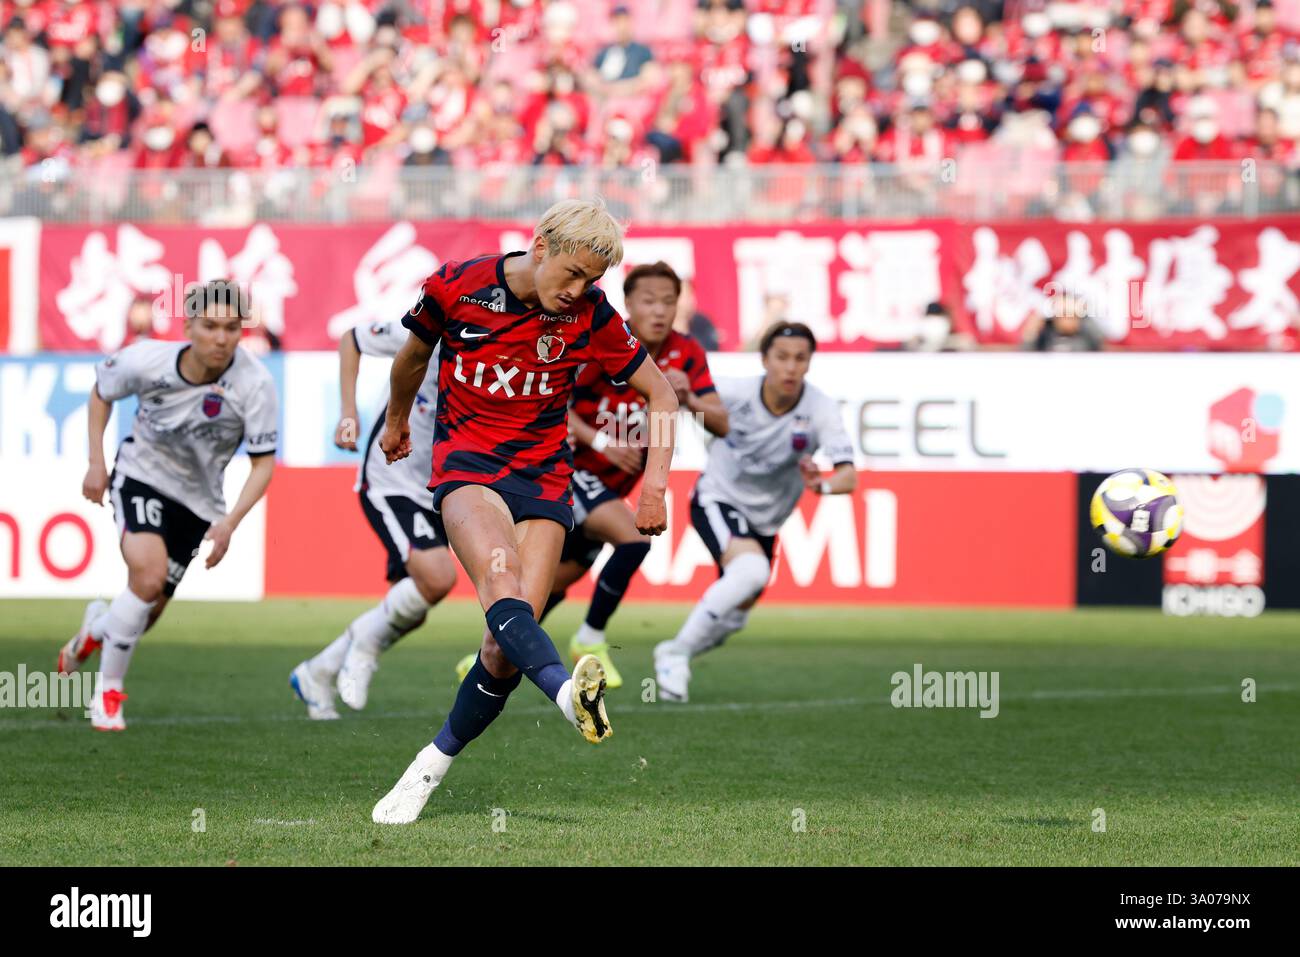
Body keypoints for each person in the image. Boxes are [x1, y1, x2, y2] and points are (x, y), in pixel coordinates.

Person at [370, 198, 679, 825]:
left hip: (543, 479)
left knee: (502, 650)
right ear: (540, 246)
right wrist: (398, 419)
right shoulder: (458, 286)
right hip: (469, 466)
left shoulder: (590, 314)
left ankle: (426, 768)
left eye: (592, 281)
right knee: (499, 578)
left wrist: (655, 486)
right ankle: (569, 697)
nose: (578, 290)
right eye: (571, 274)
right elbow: (410, 359)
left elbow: (662, 393)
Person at [452, 261, 728, 688]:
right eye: (648, 301)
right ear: (628, 305)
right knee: (633, 539)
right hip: (566, 468)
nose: (659, 311)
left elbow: (721, 423)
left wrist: (687, 396)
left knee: (553, 585)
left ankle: (491, 652)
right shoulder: (606, 342)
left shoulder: (686, 353)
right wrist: (600, 443)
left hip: (609, 488)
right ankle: (591, 638)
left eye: (668, 302)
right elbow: (552, 403)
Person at [56, 280, 279, 730]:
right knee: (148, 575)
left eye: (232, 328)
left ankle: (93, 632)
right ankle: (107, 697)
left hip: (198, 504)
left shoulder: (255, 384)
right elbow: (101, 391)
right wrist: (96, 464)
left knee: (146, 611)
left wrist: (229, 523)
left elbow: (262, 465)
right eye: (211, 326)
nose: (221, 338)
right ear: (189, 325)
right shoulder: (147, 359)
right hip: (141, 474)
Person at [654, 321, 856, 702]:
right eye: (781, 357)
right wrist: (680, 386)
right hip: (717, 498)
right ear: (765, 359)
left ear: (810, 363)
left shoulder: (820, 408)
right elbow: (672, 389)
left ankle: (675, 650)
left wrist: (822, 485)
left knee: (735, 617)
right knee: (751, 571)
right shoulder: (732, 391)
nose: (790, 368)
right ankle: (674, 656)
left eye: (800, 359)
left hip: (765, 523)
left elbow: (849, 475)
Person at [289, 317, 457, 719]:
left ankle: (318, 671)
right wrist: (349, 413)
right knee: (437, 578)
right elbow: (353, 337)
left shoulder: (505, 351)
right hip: (390, 476)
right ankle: (362, 650)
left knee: (412, 607)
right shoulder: (435, 327)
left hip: (436, 486)